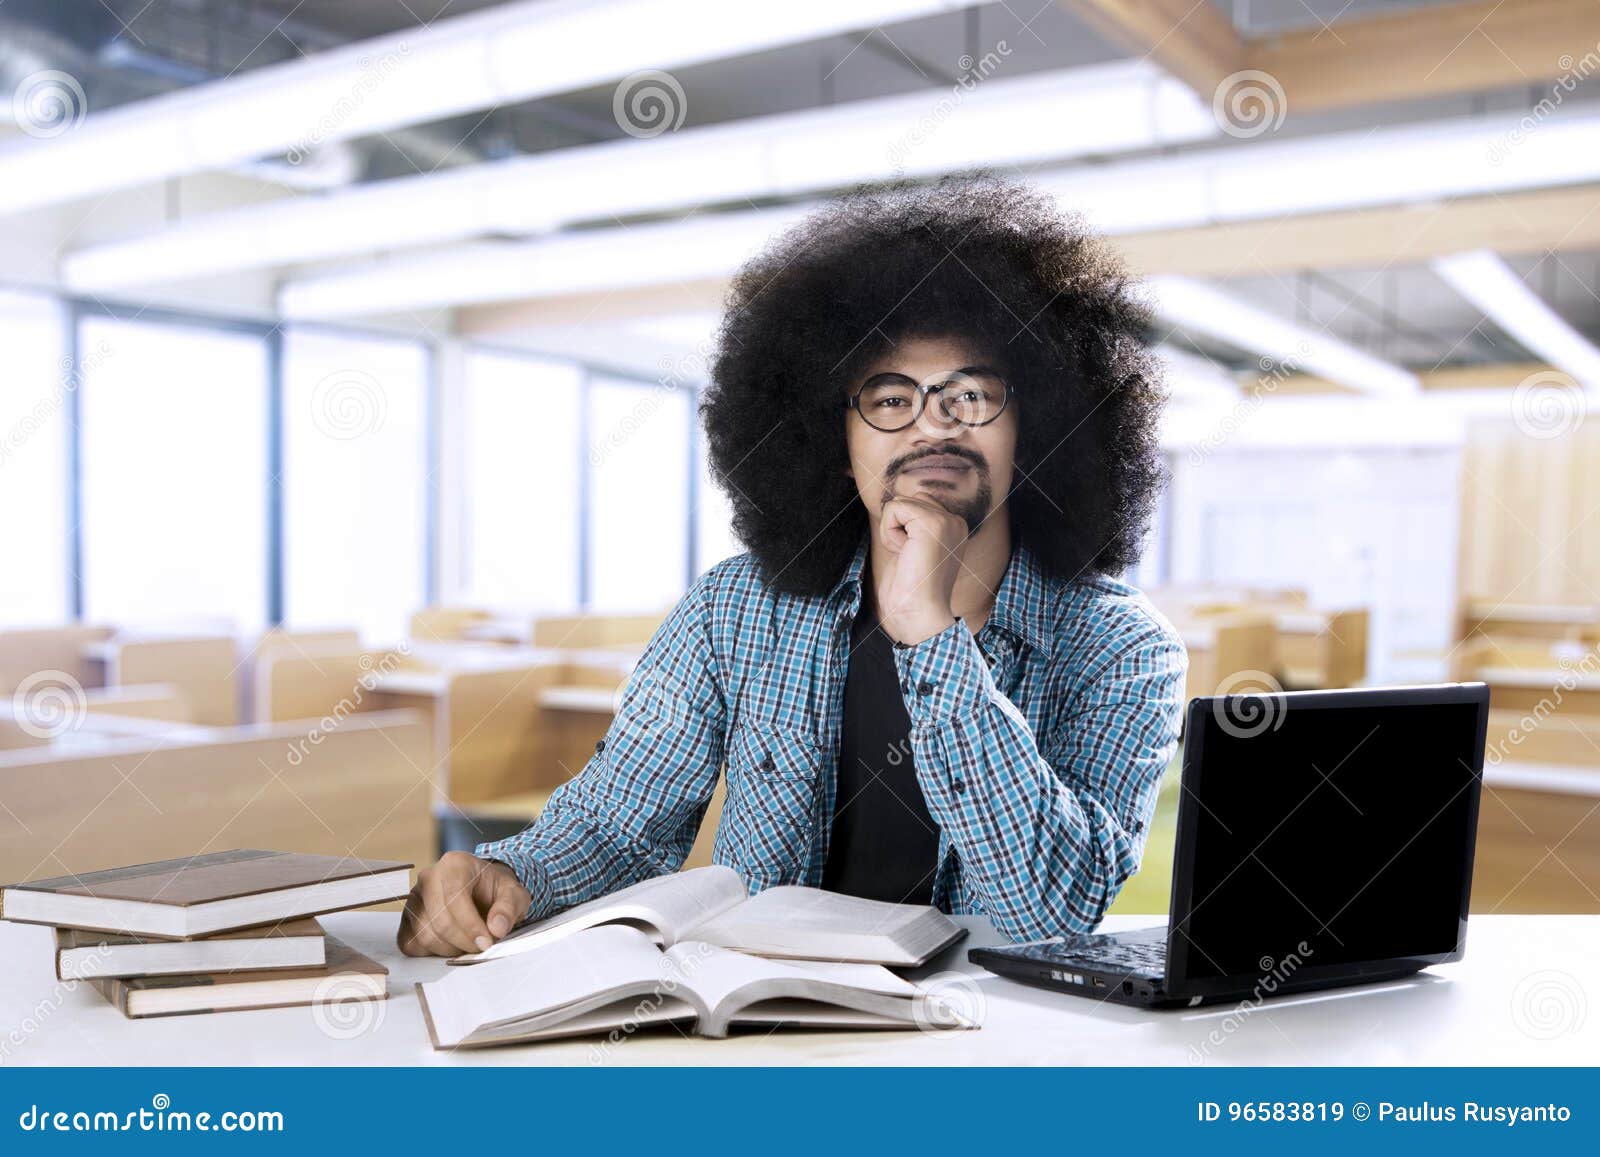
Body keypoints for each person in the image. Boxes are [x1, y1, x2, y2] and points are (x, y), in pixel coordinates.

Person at [398, 175, 1187, 957]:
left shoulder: (1124, 648)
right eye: (890, 399)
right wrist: (509, 875)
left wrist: (929, 632)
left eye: (971, 396)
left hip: (983, 1028)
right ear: (834, 444)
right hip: (765, 1017)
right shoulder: (733, 610)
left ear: (1036, 427)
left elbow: (1050, 909)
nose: (932, 427)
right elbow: (617, 824)